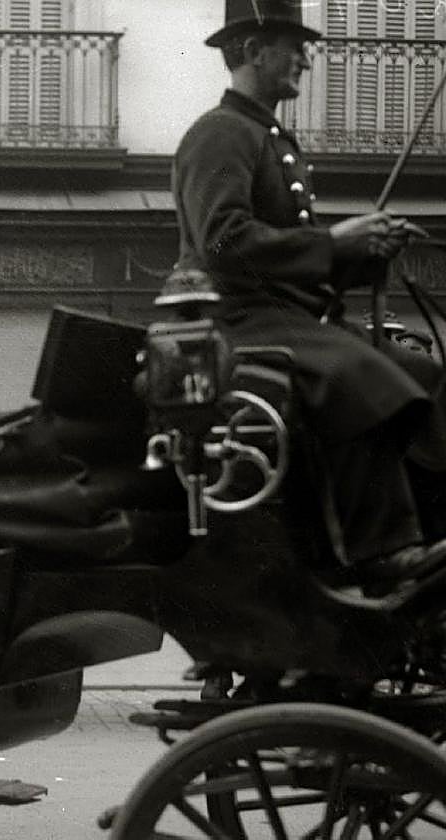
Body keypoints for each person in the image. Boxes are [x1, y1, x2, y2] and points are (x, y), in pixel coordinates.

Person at [173, 0, 446, 580]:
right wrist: (336, 243)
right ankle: (381, 552)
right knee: (360, 375)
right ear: (252, 51)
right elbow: (223, 242)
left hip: (281, 317)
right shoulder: (220, 134)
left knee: (423, 373)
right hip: (234, 320)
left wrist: (363, 253)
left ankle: (432, 535)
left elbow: (285, 256)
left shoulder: (268, 137)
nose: (305, 57)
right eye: (293, 45)